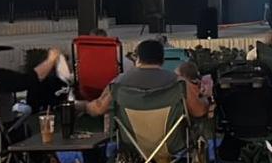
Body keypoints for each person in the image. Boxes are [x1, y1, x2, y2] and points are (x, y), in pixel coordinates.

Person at [78, 38, 209, 120]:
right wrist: (206, 100)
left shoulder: (118, 83)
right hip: (170, 143)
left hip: (131, 143)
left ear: (138, 59)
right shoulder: (178, 83)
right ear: (162, 60)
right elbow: (198, 111)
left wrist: (81, 106)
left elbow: (98, 108)